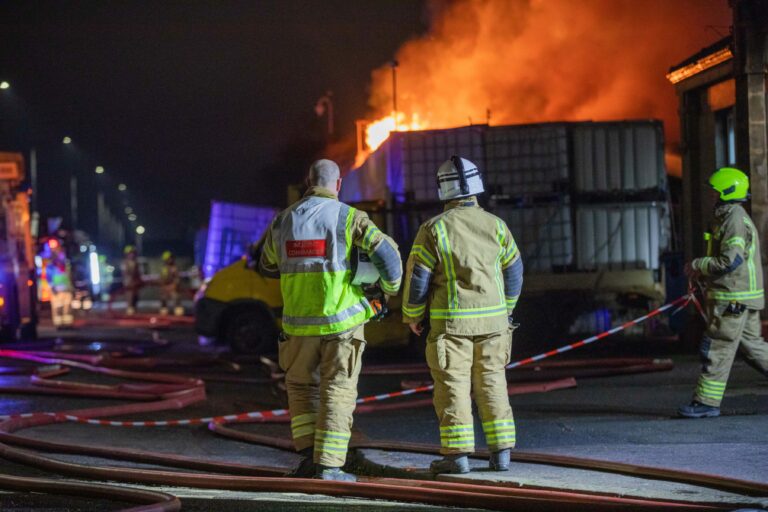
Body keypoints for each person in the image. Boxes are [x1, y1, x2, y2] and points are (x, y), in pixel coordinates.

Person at [259, 159, 402, 481]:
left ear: (308, 181)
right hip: (341, 325)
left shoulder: (282, 221)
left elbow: (267, 264)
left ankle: (310, 458)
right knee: (337, 390)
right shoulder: (350, 217)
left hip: (297, 326)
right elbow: (388, 257)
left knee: (300, 389)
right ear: (338, 185)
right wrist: (388, 291)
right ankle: (330, 466)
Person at [401, 156, 523, 474]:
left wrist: (413, 315)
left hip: (452, 326)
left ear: (444, 190)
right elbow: (515, 272)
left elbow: (418, 279)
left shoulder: (434, 230)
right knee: (493, 383)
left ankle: (456, 458)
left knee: (452, 386)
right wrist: (506, 309)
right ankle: (501, 455)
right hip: (495, 325)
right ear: (476, 186)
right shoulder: (497, 226)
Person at [679, 167, 768, 418]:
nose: (711, 195)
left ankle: (706, 403)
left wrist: (698, 266)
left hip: (733, 298)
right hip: (742, 296)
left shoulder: (734, 219)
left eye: (715, 191)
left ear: (727, 192)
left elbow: (730, 260)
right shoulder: (730, 216)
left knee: (717, 346)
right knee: (753, 349)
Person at [47, 244, 74, 329]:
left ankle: (68, 324)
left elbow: (69, 277)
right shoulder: (51, 266)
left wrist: (71, 288)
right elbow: (49, 278)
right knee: (58, 308)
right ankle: (59, 325)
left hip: (67, 290)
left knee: (67, 308)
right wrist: (52, 287)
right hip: (57, 290)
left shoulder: (66, 264)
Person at [160, 250, 183, 316]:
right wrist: (163, 286)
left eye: (171, 258)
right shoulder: (163, 269)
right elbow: (162, 279)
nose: (170, 260)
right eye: (168, 258)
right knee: (163, 298)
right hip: (165, 287)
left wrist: (175, 285)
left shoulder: (175, 268)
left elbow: (177, 278)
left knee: (175, 297)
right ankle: (164, 309)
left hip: (173, 287)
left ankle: (177, 308)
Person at [121, 245, 142, 315]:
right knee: (130, 296)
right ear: (126, 254)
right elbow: (125, 273)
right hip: (129, 284)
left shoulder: (136, 263)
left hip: (135, 284)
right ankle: (129, 308)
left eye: (133, 253)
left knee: (135, 297)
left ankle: (134, 309)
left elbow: (138, 273)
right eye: (130, 253)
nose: (132, 255)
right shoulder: (125, 263)